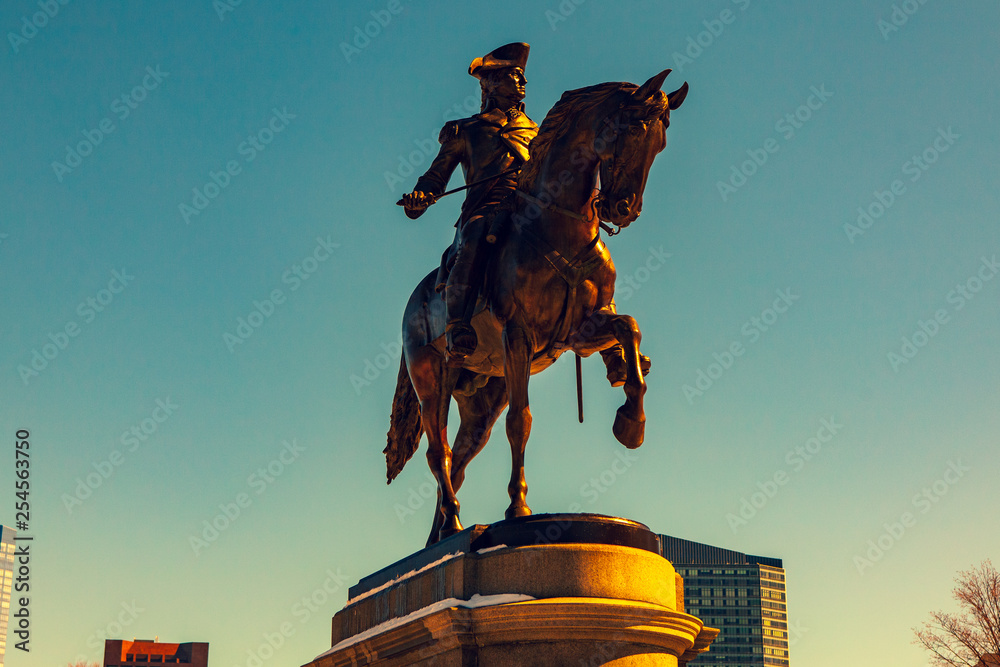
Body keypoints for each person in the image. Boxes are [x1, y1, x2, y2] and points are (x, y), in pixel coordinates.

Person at [401, 43, 538, 361]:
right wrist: (421, 196)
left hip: (529, 209)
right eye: (515, 75)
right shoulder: (465, 130)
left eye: (522, 76)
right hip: (486, 210)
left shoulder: (536, 132)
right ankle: (457, 324)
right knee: (474, 238)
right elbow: (436, 176)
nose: (524, 82)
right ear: (493, 82)